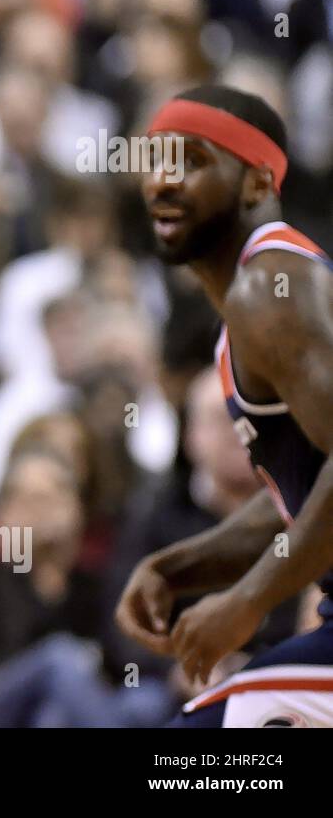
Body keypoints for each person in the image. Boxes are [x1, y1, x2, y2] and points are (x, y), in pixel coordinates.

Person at [116, 85, 333, 727]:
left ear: (257, 182)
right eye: (154, 160)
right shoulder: (258, 293)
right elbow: (303, 487)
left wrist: (243, 602)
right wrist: (180, 565)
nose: (162, 181)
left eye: (191, 160)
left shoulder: (271, 289)